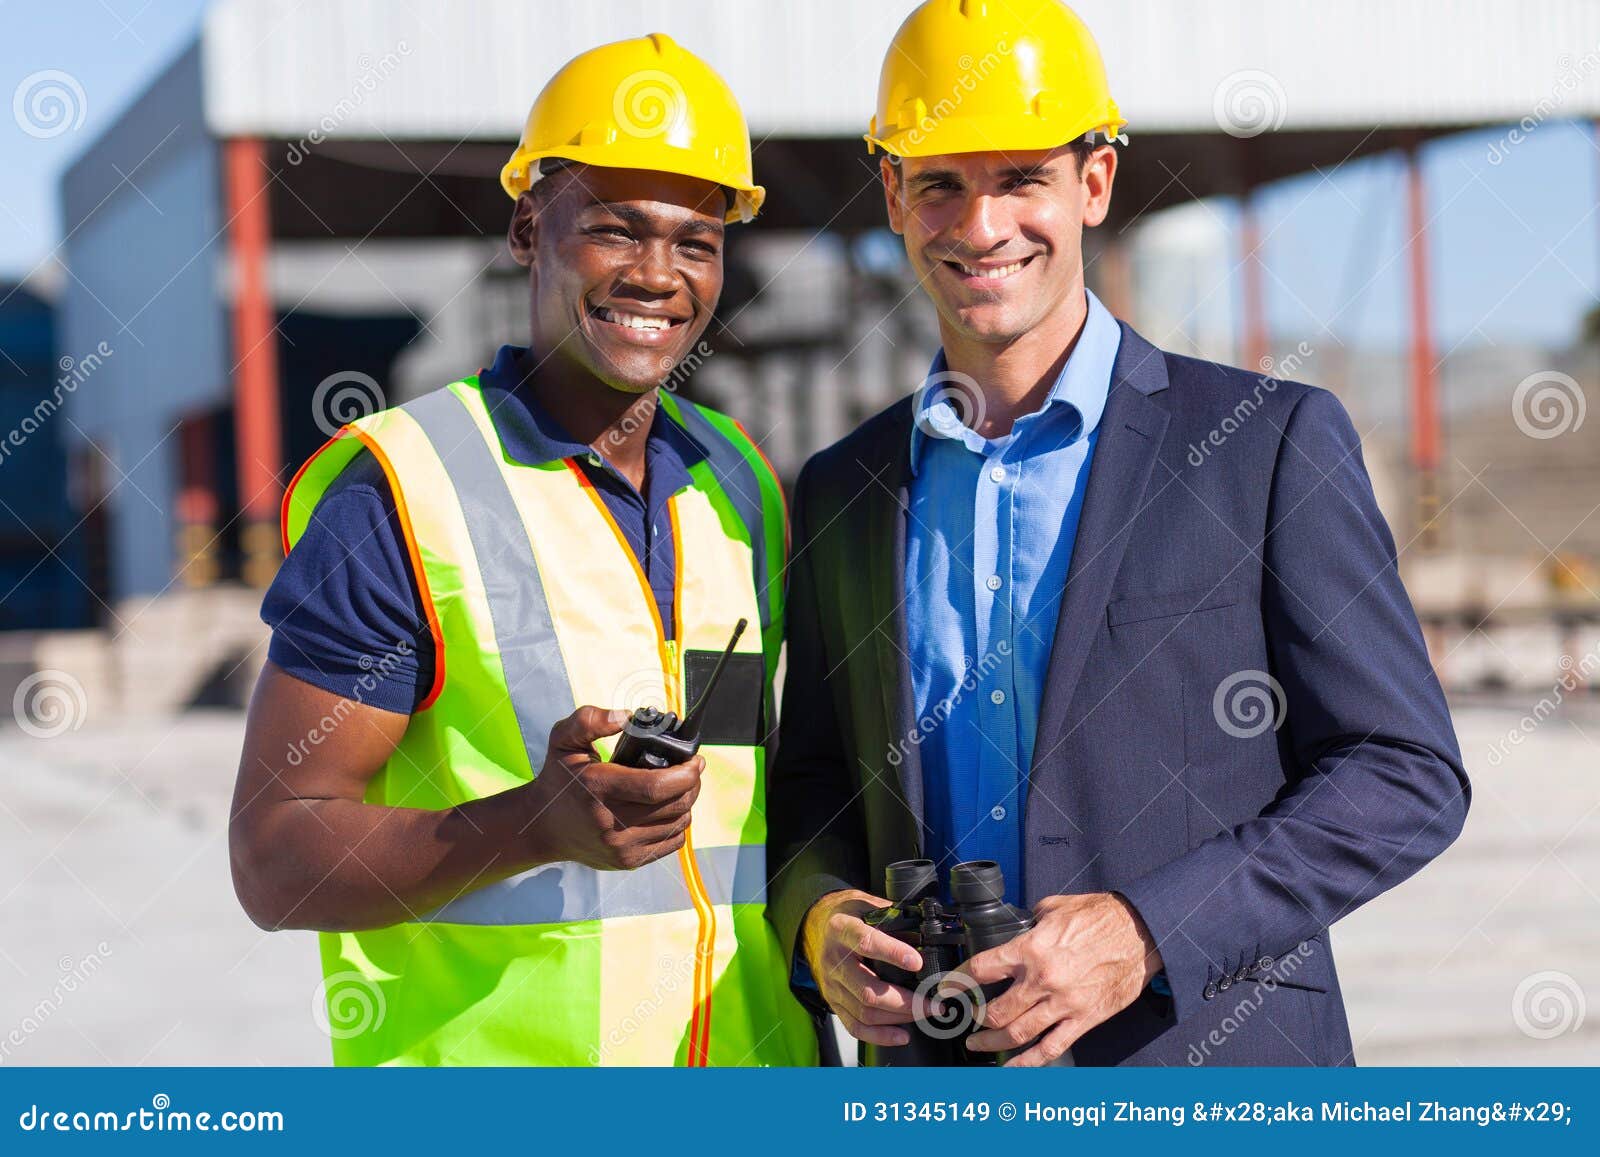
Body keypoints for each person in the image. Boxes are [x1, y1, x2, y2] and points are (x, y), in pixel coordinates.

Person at [767, 0, 1468, 1067]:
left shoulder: (1263, 444)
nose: (982, 225)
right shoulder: (842, 490)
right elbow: (818, 780)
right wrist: (816, 917)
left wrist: (1148, 929)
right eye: (942, 183)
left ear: (1093, 183)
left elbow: (1403, 770)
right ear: (893, 198)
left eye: (1021, 179)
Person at [229, 33, 815, 1067]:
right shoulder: (403, 491)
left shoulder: (739, 485)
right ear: (527, 227)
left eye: (696, 240)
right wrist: (527, 824)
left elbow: (747, 794)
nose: (657, 275)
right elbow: (276, 857)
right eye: (614, 230)